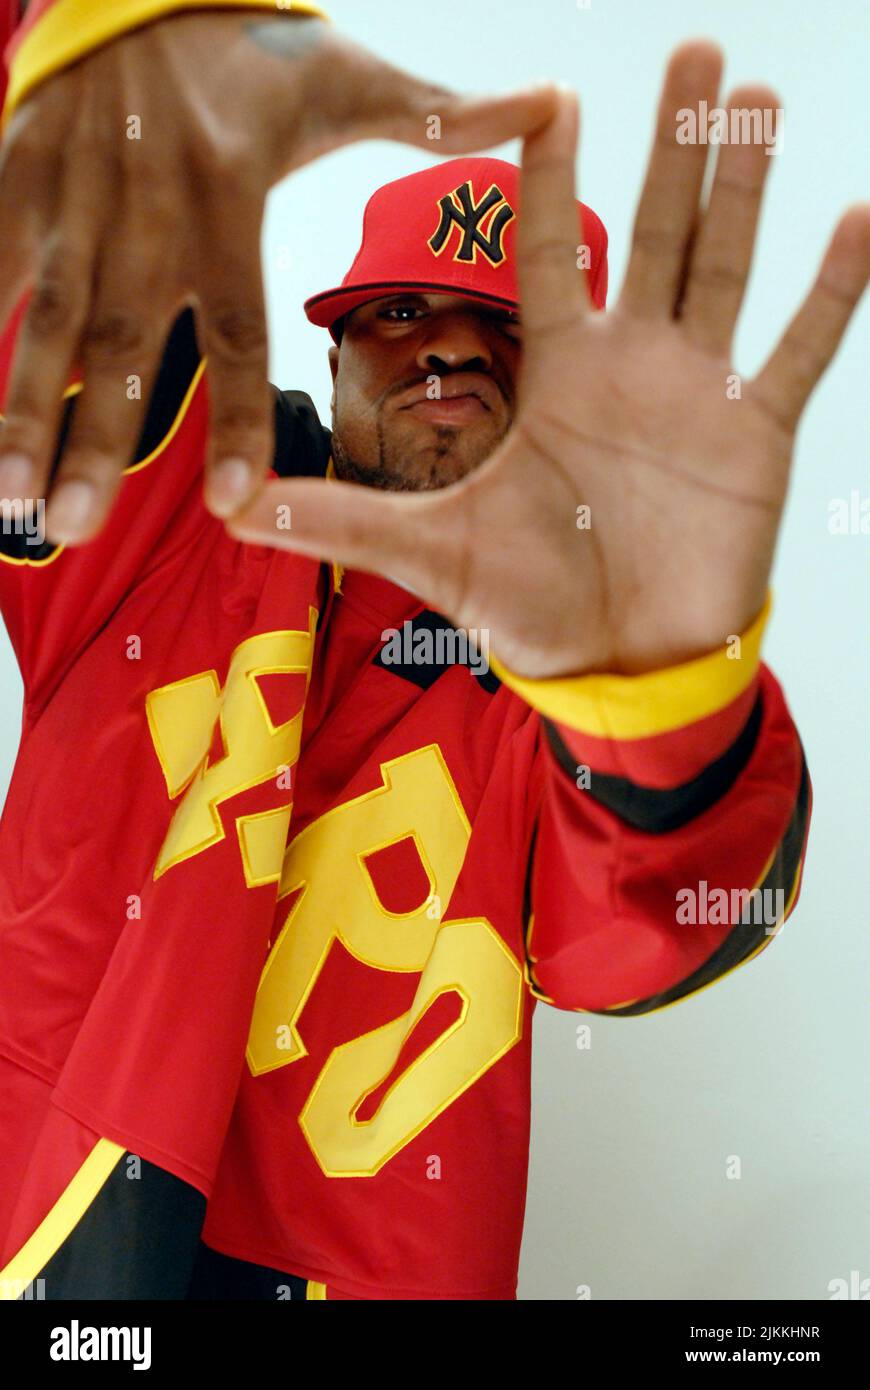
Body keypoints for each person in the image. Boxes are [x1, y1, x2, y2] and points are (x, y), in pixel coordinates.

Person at [0, 1, 865, 1302]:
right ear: (333, 353)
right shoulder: (172, 511)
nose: (451, 342)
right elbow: (59, 279)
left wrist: (660, 678)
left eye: (509, 322)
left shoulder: (578, 697)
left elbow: (645, 932)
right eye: (400, 309)